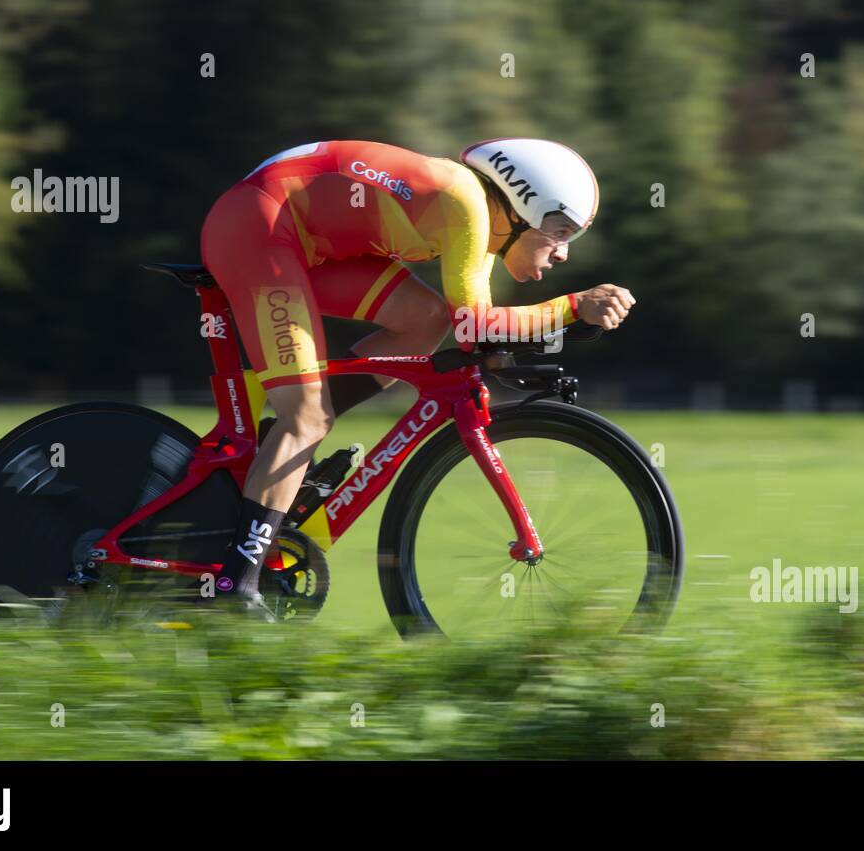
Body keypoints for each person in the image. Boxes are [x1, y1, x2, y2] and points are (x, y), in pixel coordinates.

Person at [198, 138, 634, 613]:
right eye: (562, 232)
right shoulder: (459, 199)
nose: (563, 254)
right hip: (257, 227)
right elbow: (476, 324)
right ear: (524, 206)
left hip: (297, 238)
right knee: (306, 419)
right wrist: (573, 307)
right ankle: (234, 588)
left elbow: (467, 330)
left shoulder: (482, 228)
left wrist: (550, 330)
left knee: (426, 319)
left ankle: (278, 445)